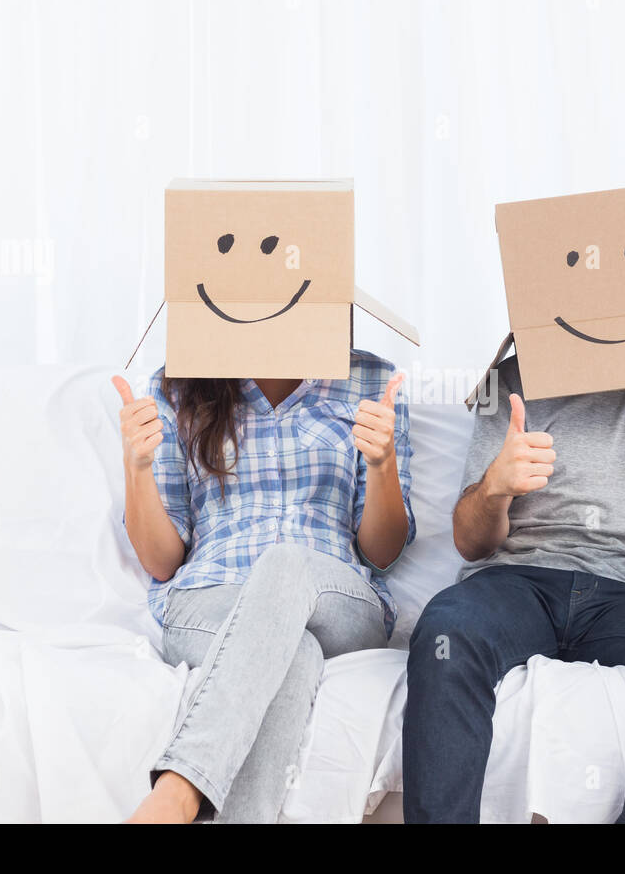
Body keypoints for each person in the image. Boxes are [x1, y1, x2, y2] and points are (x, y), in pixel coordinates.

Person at [403, 356, 625, 823]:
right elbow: (470, 543)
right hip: (518, 584)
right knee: (446, 629)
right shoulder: (511, 380)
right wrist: (494, 488)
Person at [114, 351, 414, 823]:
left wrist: (383, 462)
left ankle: (178, 790)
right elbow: (161, 560)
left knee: (286, 562)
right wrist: (136, 467)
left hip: (333, 597)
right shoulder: (176, 385)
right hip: (211, 598)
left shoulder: (371, 378)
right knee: (291, 654)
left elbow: (382, 551)